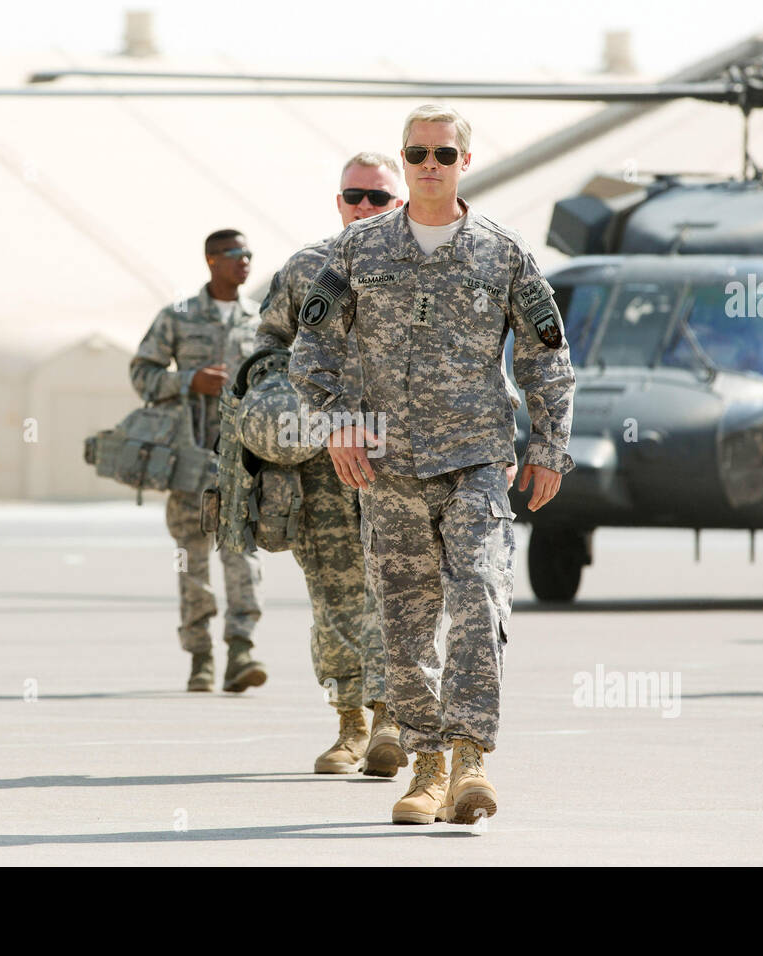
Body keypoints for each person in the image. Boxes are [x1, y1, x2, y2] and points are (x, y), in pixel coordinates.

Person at [289, 105, 575, 825]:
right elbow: (311, 352)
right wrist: (338, 426)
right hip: (388, 467)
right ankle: (427, 767)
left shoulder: (501, 253)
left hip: (478, 461)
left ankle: (471, 760)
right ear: (404, 158)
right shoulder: (358, 253)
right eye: (416, 153)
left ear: (464, 162)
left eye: (443, 154)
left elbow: (548, 357)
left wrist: (548, 446)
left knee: (479, 598)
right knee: (407, 622)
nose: (428, 165)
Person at [254, 152, 407, 776]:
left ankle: (393, 717)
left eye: (378, 198)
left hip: (399, 461)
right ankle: (349, 724)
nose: (365, 207)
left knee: (402, 587)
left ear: (400, 204)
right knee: (335, 590)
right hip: (321, 465)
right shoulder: (306, 268)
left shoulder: (430, 269)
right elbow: (267, 343)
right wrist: (276, 402)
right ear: (338, 202)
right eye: (355, 196)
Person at [131, 229, 266, 693]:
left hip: (243, 459)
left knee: (242, 554)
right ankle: (201, 656)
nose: (244, 261)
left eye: (248, 254)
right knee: (192, 558)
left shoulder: (262, 318)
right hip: (188, 460)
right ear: (211, 260)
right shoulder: (178, 316)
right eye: (234, 254)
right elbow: (142, 373)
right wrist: (189, 380)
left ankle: (241, 649)